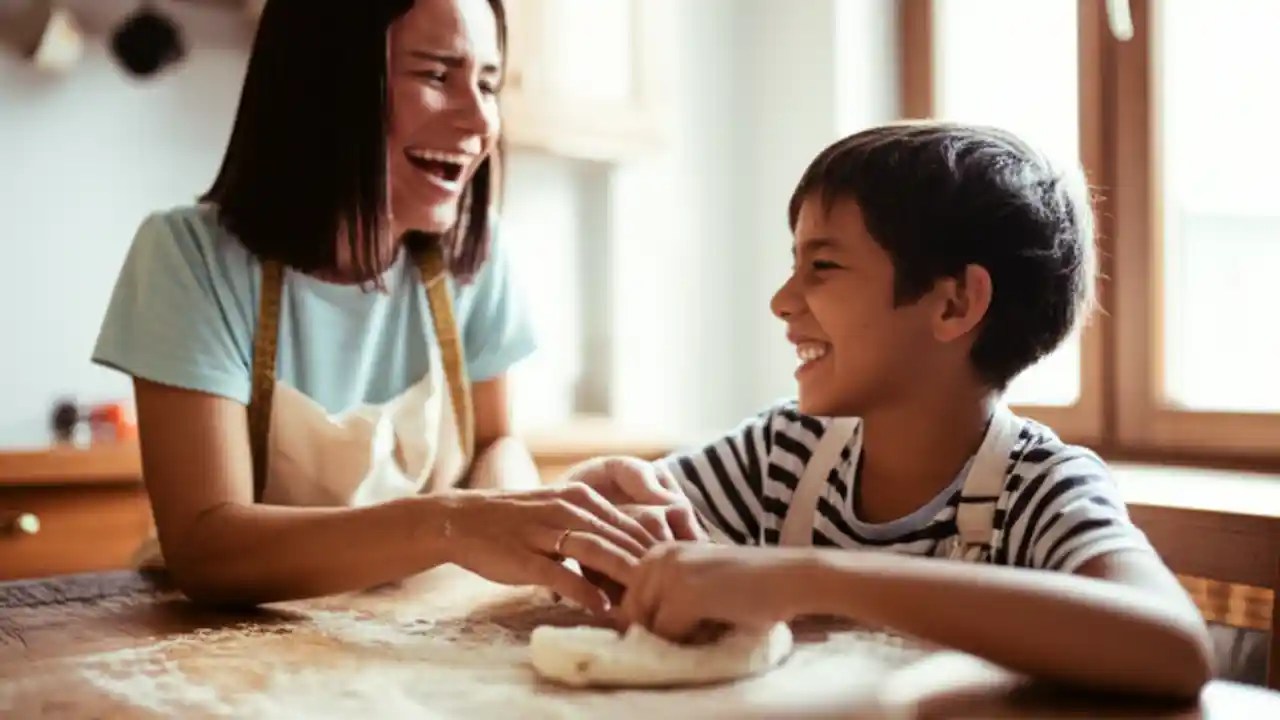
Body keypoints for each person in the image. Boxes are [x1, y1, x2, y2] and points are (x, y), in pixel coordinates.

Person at [571, 122, 1214, 698]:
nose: (782, 301)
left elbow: (1175, 648)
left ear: (954, 304)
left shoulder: (1041, 487)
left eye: (822, 266)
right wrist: (599, 520)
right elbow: (634, 525)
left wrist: (808, 579)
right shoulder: (784, 452)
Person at [91, 0, 663, 612]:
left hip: (417, 641)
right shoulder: (188, 257)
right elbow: (207, 549)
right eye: (437, 75)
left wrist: (530, 515)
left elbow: (496, 445)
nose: (479, 120)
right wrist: (456, 523)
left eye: (488, 83)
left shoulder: (476, 256)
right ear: (327, 83)